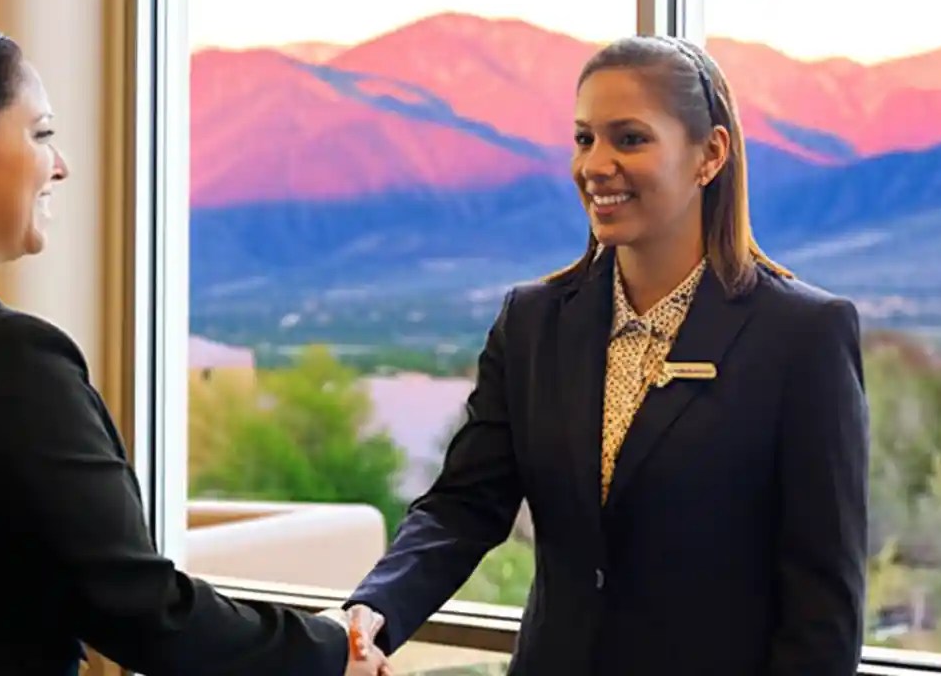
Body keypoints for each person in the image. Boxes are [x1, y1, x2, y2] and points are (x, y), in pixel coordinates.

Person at [0, 17, 389, 676]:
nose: (59, 165)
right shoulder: (6, 358)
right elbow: (144, 611)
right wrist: (326, 649)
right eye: (41, 134)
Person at [342, 35, 869, 675]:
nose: (595, 164)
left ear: (710, 154)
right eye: (584, 138)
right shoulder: (532, 323)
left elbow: (823, 609)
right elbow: (463, 506)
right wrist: (375, 609)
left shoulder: (802, 337)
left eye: (629, 138)